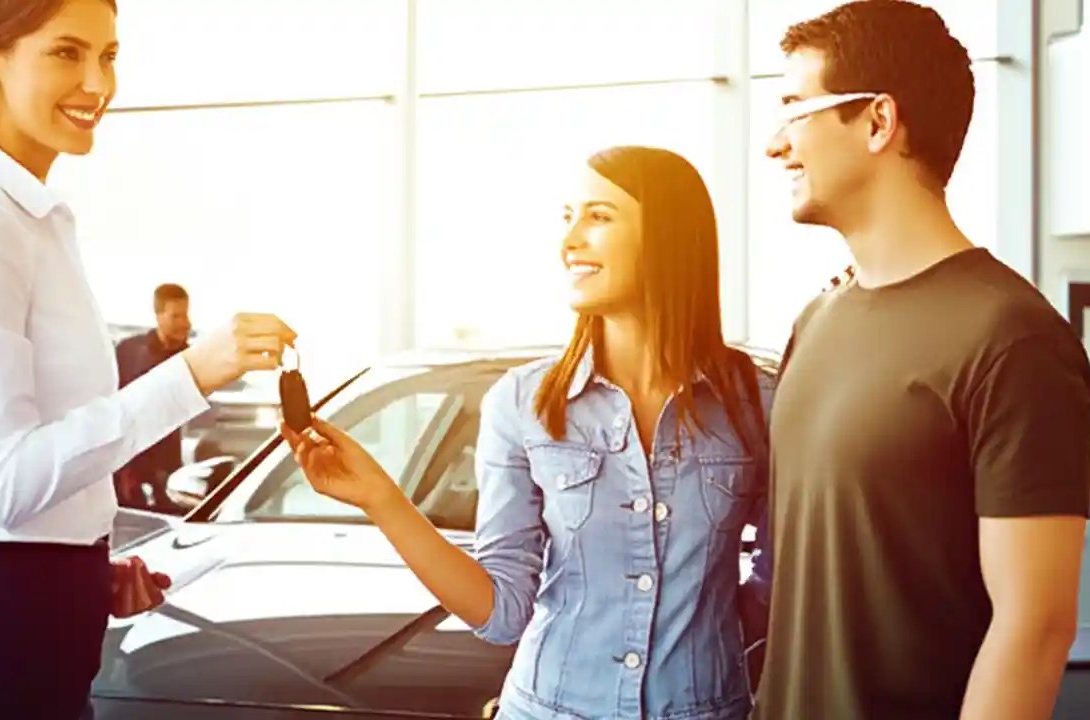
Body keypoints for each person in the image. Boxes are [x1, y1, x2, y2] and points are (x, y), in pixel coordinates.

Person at [0, 1, 296, 718]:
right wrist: (191, 375)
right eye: (67, 53)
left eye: (108, 56)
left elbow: (19, 492)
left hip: (27, 635)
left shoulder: (26, 219)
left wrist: (77, 568)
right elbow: (6, 484)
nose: (97, 83)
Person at [283, 146, 773, 720]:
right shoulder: (522, 403)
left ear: (668, 236)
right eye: (567, 217)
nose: (570, 240)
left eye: (599, 216)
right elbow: (503, 612)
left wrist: (708, 645)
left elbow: (780, 582)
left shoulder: (759, 403)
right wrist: (381, 499)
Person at [753, 2, 1090, 718]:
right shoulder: (815, 322)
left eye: (794, 109)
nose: (775, 145)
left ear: (877, 121)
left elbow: (1034, 629)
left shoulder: (1012, 339)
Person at [114, 283, 193, 510]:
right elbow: (117, 407)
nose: (185, 323)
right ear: (158, 316)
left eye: (186, 315)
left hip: (168, 465)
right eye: (176, 316)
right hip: (129, 463)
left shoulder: (188, 358)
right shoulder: (128, 351)